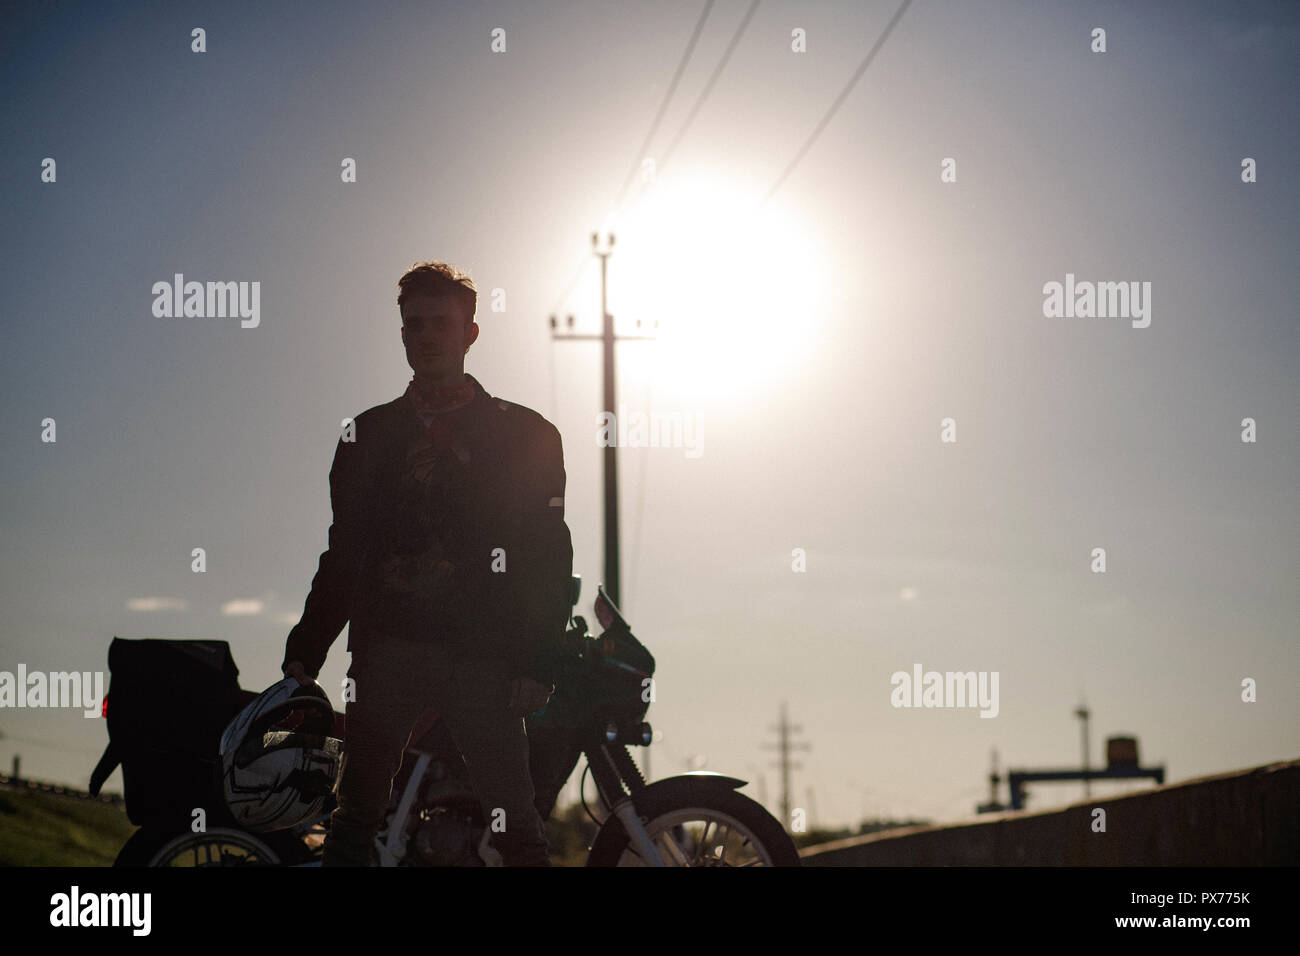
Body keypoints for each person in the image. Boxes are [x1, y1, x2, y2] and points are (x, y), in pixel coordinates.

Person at [281, 260, 574, 866]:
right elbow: (344, 551)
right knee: (353, 821)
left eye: (441, 323)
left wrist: (539, 657)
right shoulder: (366, 435)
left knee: (518, 830)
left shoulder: (527, 435)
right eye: (414, 325)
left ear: (471, 333)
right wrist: (307, 647)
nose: (426, 336)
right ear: (402, 334)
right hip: (387, 650)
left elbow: (546, 552)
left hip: (484, 655)